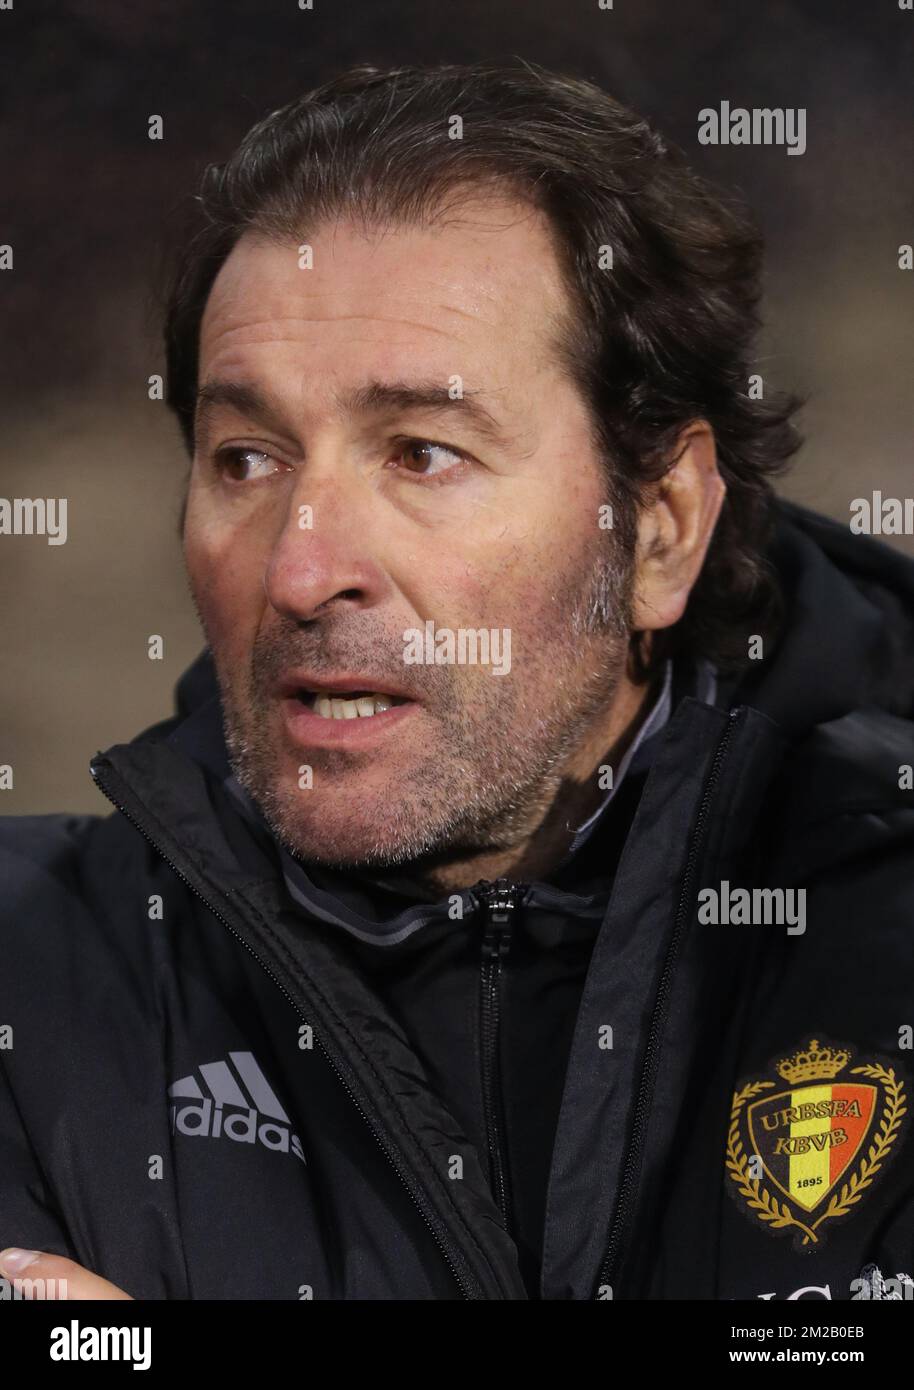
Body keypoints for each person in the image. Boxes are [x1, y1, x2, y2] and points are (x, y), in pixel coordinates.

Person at [1, 60, 912, 1303]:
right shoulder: (27, 974)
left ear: (657, 528)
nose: (302, 568)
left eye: (421, 453)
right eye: (246, 457)